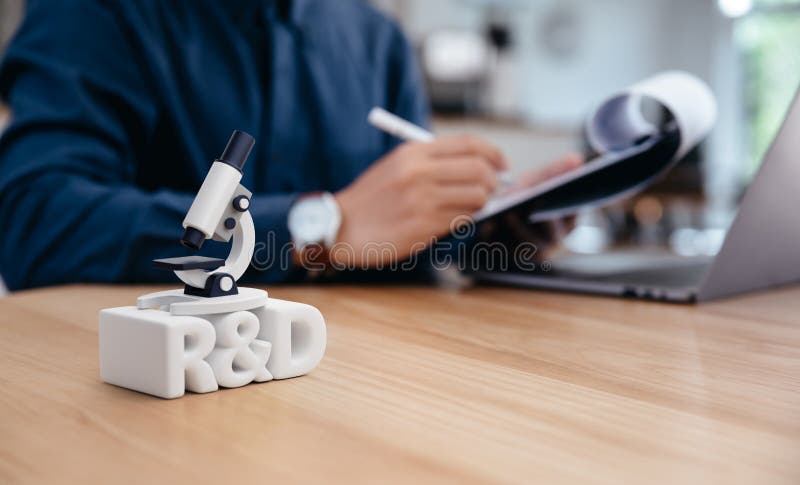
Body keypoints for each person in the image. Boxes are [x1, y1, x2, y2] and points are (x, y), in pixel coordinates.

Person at [0, 0, 580, 291]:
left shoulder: (378, 41)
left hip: (366, 395)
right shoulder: (97, 14)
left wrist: (480, 231)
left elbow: (385, 244)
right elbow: (39, 225)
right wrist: (321, 225)